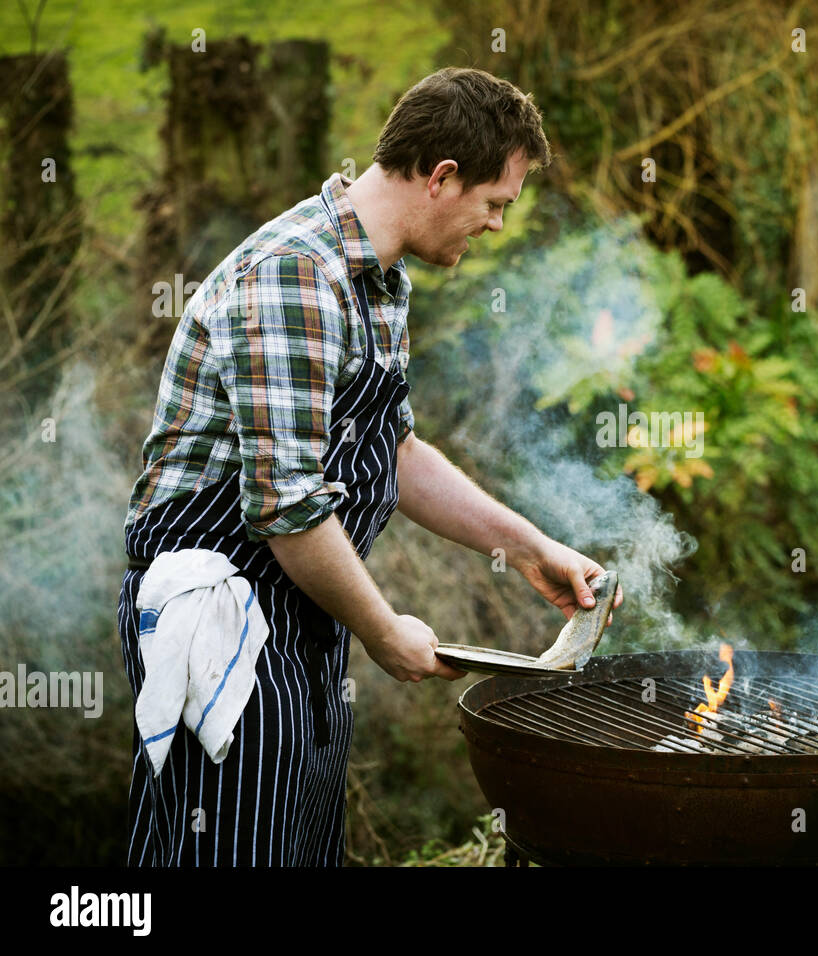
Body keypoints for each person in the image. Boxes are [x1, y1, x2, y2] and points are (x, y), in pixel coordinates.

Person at [117, 67, 622, 866]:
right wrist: (385, 631)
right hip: (218, 614)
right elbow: (287, 508)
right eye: (495, 205)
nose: (495, 226)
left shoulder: (380, 280)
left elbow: (398, 449)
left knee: (299, 848)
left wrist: (531, 549)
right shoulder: (294, 279)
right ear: (442, 177)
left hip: (303, 607)